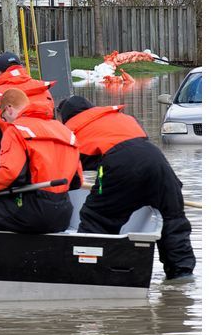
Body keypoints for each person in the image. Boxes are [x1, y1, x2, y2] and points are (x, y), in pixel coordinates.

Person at [57, 95, 196, 281]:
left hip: (120, 165)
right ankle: (182, 276)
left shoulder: (71, 131)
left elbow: (71, 174)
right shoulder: (121, 118)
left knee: (97, 218)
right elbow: (131, 148)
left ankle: (86, 273)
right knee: (173, 218)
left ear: (66, 116)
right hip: (156, 160)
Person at [0, 88, 82, 233]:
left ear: (9, 109)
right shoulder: (66, 132)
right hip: (63, 213)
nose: (4, 121)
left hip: (31, 211)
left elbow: (10, 172)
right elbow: (77, 180)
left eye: (3, 118)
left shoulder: (16, 130)